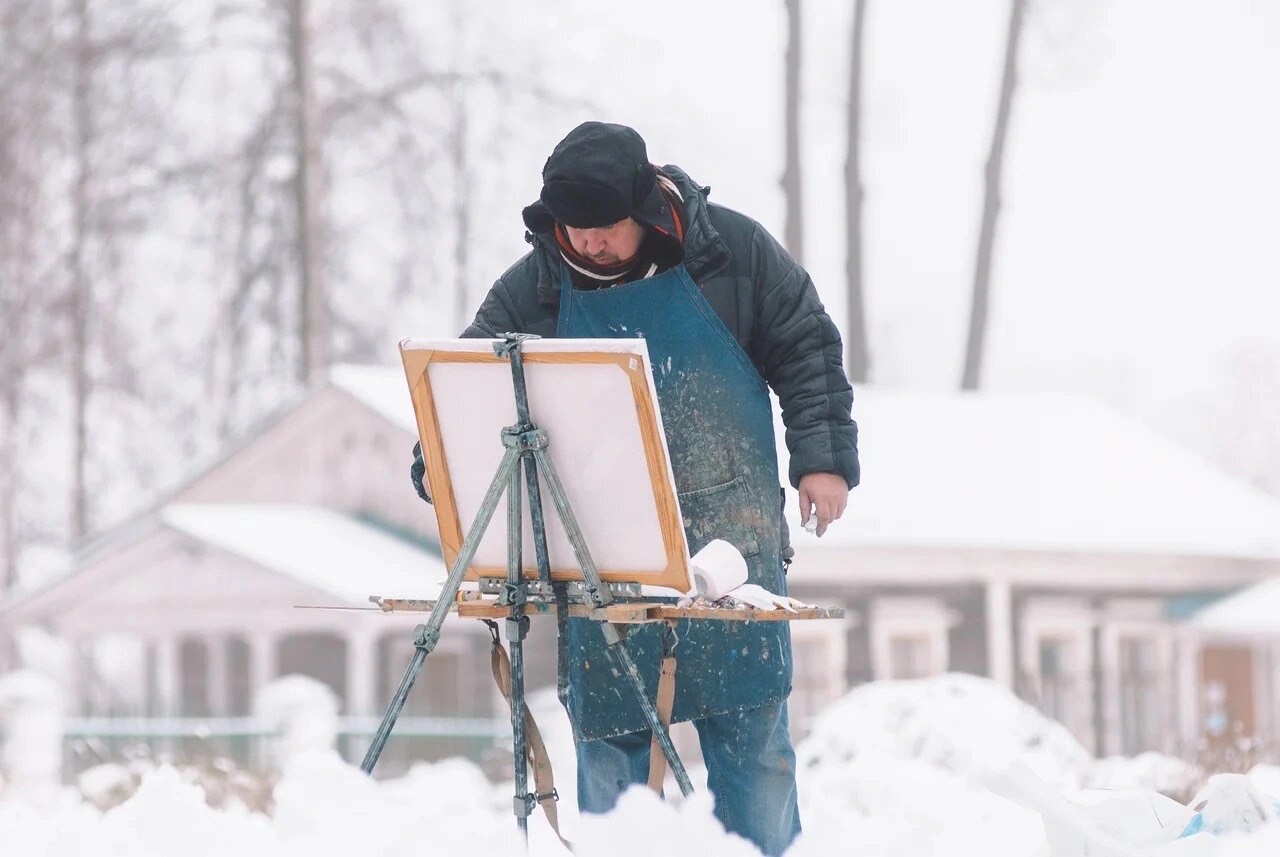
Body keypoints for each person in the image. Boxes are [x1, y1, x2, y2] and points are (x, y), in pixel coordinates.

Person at [410, 121, 859, 856]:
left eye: (604, 229)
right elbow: (470, 380)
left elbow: (807, 344)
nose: (586, 245)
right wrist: (442, 459)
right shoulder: (541, 282)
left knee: (754, 749)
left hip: (732, 541)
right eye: (572, 230)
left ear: (646, 209)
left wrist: (824, 458)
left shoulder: (734, 255)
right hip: (604, 555)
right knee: (611, 746)